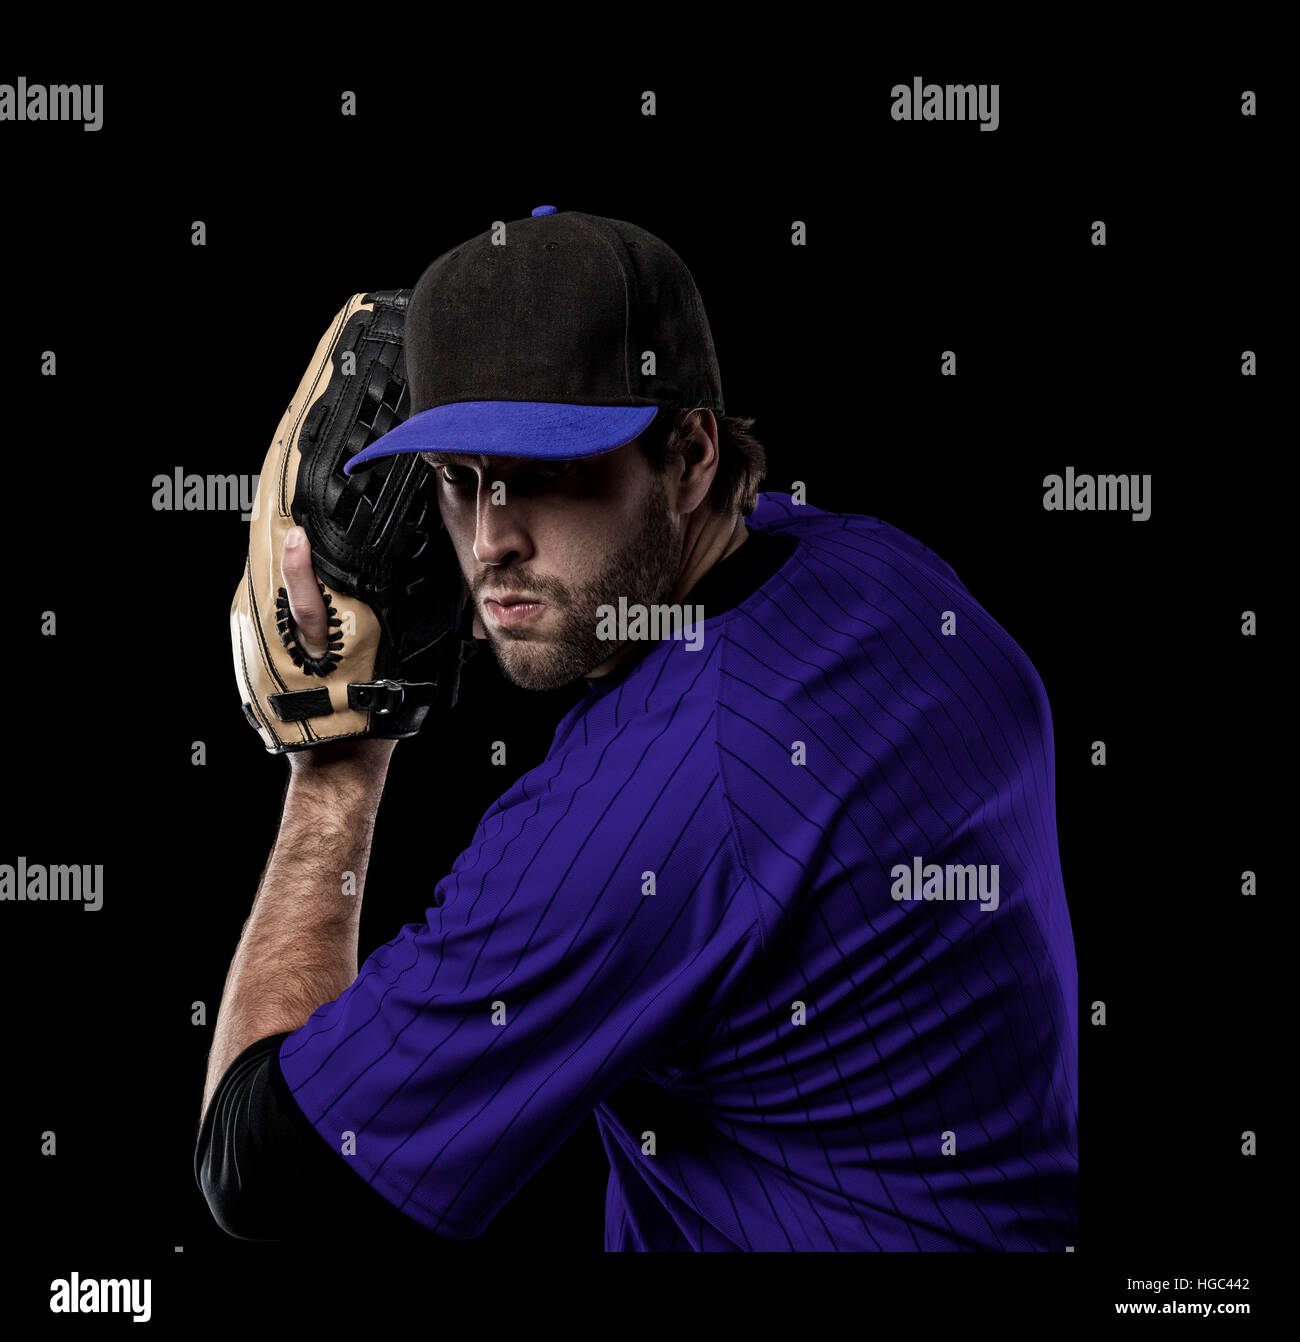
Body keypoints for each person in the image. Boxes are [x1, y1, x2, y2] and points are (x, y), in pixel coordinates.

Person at [196, 207, 1078, 1251]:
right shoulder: (889, 572)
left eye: (548, 471)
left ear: (691, 453)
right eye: (454, 477)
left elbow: (262, 1175)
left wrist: (337, 768)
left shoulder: (659, 808)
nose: (490, 542)